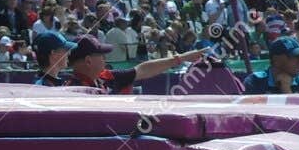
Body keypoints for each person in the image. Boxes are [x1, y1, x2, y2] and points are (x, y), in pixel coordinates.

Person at [66, 33, 206, 95]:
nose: (105, 59)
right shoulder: (71, 90)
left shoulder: (105, 77)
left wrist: (181, 58)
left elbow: (143, 69)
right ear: (88, 61)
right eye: (101, 55)